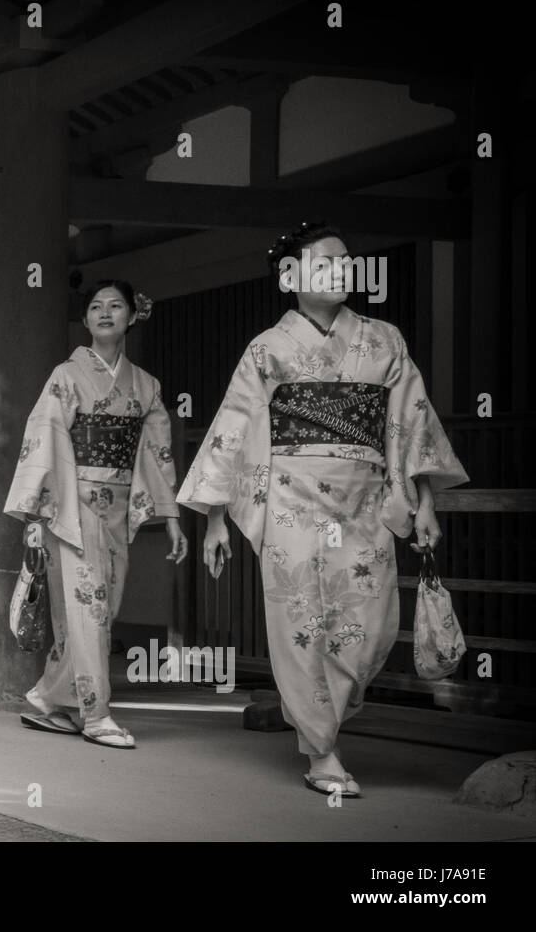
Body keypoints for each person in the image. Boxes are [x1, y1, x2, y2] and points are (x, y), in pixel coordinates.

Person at [176, 221, 467, 797]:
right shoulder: (267, 349)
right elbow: (235, 426)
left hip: (366, 501)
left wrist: (426, 501)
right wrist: (214, 518)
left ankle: (324, 722)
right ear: (291, 277)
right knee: (301, 624)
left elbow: (411, 427)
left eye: (345, 262)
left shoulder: (384, 341)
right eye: (323, 263)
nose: (339, 271)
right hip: (290, 501)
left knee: (372, 624)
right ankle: (322, 750)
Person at [4, 279, 188, 748]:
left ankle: (47, 699)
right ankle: (96, 714)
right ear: (85, 320)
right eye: (95, 307)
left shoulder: (145, 386)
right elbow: (43, 437)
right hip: (72, 502)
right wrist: (37, 514)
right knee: (91, 610)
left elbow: (156, 453)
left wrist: (171, 517)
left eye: (116, 306)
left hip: (118, 504)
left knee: (95, 611)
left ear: (132, 316)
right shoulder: (66, 377)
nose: (106, 313)